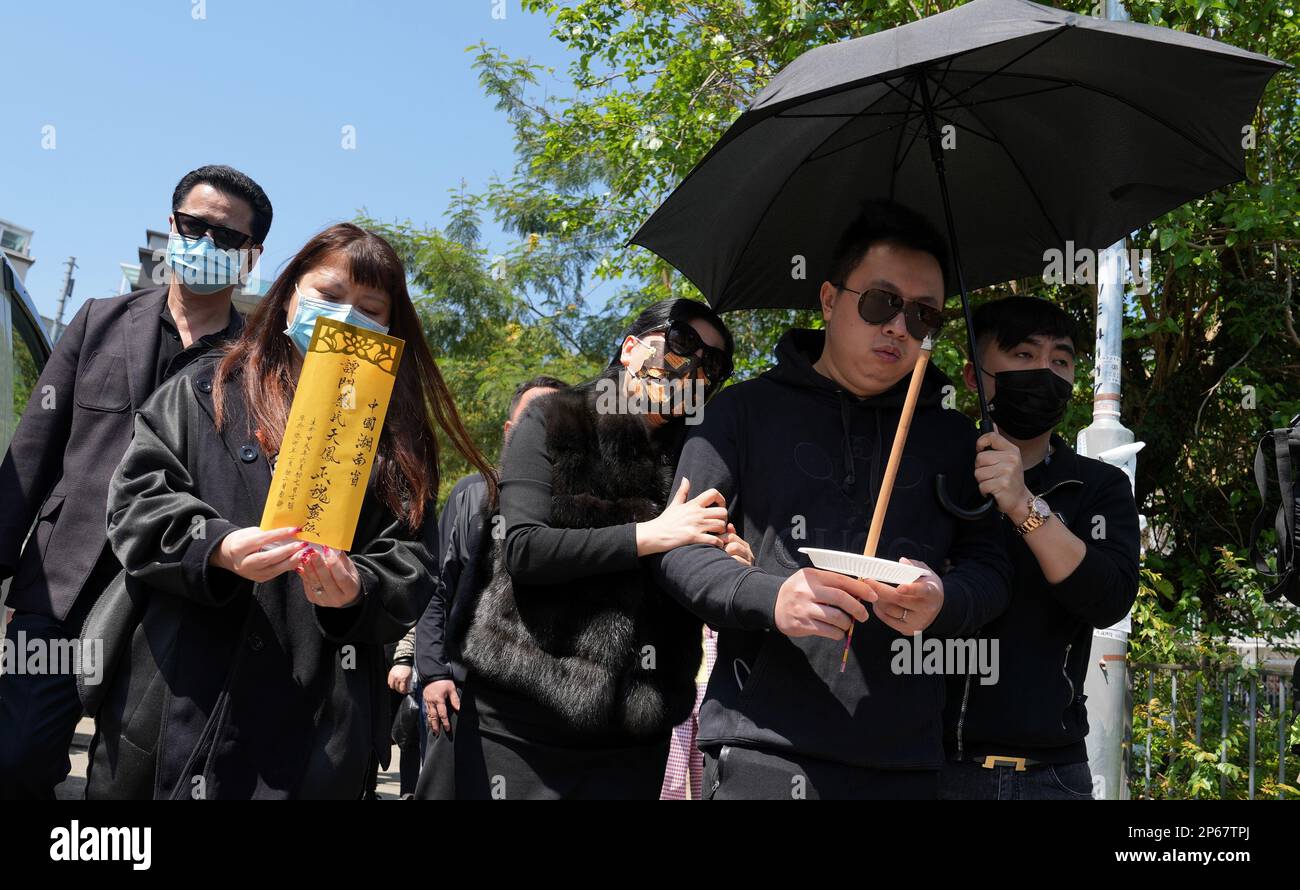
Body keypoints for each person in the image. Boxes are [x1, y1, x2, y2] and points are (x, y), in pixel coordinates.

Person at [85, 223, 495, 799]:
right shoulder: (206, 387)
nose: (344, 317)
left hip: (319, 713)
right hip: (178, 686)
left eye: (369, 308)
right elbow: (135, 501)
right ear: (289, 295)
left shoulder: (398, 436)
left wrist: (358, 587)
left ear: (390, 327)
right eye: (327, 295)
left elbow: (412, 561)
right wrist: (217, 547)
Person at [651, 201, 1012, 800]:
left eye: (924, 315)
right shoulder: (739, 413)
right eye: (881, 302)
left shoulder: (954, 437)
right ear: (827, 299)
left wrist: (944, 599)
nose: (900, 327)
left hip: (906, 762)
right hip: (760, 746)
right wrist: (774, 595)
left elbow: (993, 569)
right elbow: (678, 551)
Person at [0, 164, 272, 799]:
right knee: (16, 755)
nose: (205, 245)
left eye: (227, 238)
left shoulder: (257, 368)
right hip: (64, 585)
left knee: (128, 777)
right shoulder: (98, 321)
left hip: (176, 595)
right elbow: (32, 453)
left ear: (251, 258)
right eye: (193, 226)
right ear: (170, 225)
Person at [426, 298, 749, 800]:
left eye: (714, 364)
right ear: (631, 348)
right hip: (519, 720)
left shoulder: (702, 456)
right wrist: (652, 532)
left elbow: (694, 577)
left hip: (635, 733)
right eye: (681, 341)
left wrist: (725, 563)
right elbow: (525, 550)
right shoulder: (554, 418)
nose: (692, 366)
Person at [939, 296, 1140, 800]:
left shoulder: (1098, 486)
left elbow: (1108, 599)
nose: (1045, 372)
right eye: (1024, 356)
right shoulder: (932, 473)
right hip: (929, 765)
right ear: (973, 376)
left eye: (1061, 360)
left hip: (1050, 774)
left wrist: (1023, 504)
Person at [415, 375, 569, 757]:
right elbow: (435, 585)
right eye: (533, 420)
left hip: (541, 706)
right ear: (508, 431)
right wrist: (434, 673)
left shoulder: (577, 511)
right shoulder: (473, 493)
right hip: (460, 693)